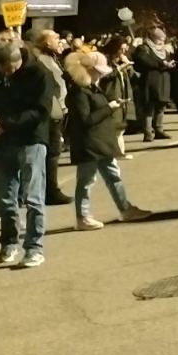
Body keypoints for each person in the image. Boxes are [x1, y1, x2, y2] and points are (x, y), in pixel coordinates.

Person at [0, 40, 55, 268]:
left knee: (33, 197)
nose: (3, 73)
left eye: (6, 68)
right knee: (5, 197)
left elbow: (41, 111)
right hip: (5, 140)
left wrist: (6, 123)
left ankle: (34, 247)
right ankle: (9, 243)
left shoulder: (39, 74)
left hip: (32, 139)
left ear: (16, 60)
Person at [65, 50, 152, 228]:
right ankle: (83, 217)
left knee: (113, 176)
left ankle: (125, 209)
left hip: (101, 142)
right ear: (88, 70)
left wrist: (110, 106)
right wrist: (109, 108)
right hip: (89, 144)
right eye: (98, 72)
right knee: (86, 181)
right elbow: (85, 120)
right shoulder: (80, 92)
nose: (101, 75)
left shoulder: (91, 88)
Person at [29, 29, 73, 204]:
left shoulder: (52, 59)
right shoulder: (42, 61)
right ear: (46, 42)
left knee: (54, 151)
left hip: (59, 108)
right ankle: (50, 191)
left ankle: (50, 189)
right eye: (56, 38)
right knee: (52, 152)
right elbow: (49, 88)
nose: (60, 41)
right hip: (52, 110)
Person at [132, 27, 174, 142]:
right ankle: (147, 132)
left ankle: (159, 129)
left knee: (161, 105)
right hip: (150, 79)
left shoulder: (165, 50)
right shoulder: (143, 48)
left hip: (164, 79)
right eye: (159, 39)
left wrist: (170, 64)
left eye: (163, 39)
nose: (161, 42)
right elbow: (144, 61)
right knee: (149, 106)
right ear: (153, 38)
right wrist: (161, 64)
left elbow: (168, 60)